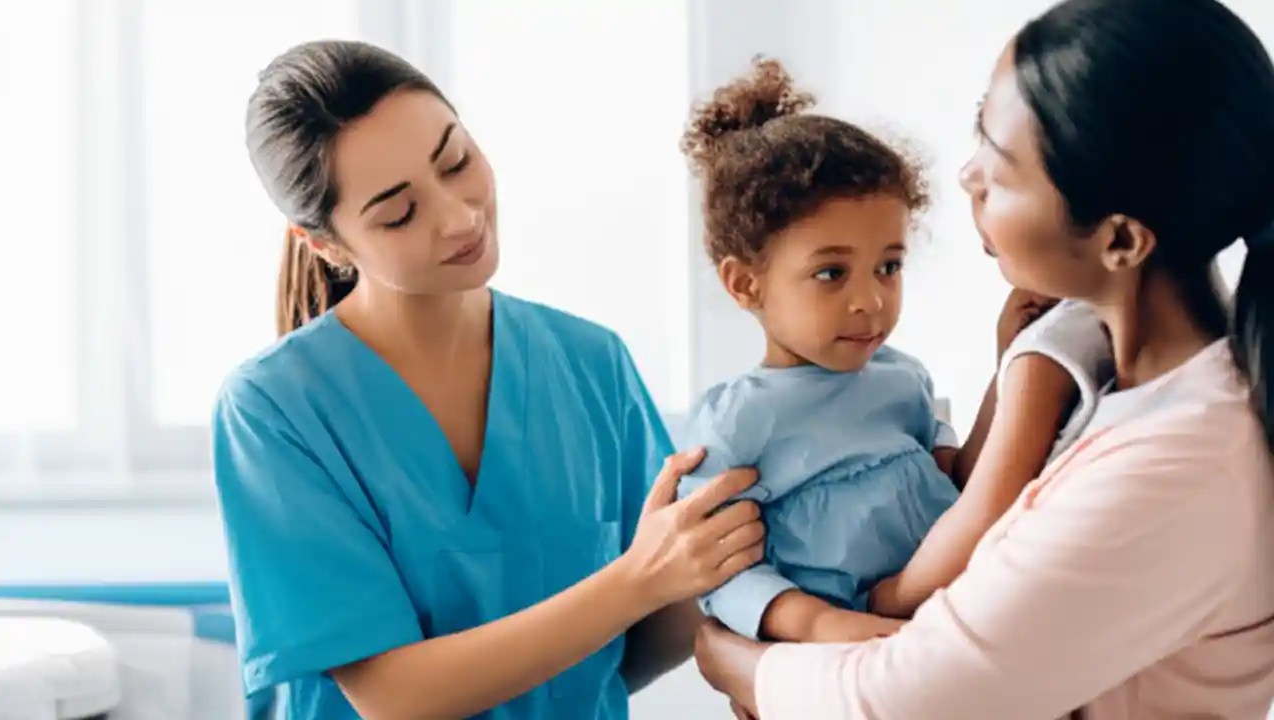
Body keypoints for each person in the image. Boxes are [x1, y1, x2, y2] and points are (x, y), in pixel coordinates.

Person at [693, 0, 1274, 717]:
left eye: (999, 166)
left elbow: (900, 700)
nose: (965, 178)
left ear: (1121, 241)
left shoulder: (1185, 461)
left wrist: (731, 661)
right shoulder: (1094, 372)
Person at [212, 40, 767, 720]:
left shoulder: (593, 363)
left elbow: (637, 643)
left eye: (456, 161)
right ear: (325, 244)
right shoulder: (276, 409)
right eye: (398, 213)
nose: (459, 216)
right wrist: (637, 580)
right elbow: (394, 697)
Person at [674, 58, 1111, 645]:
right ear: (746, 284)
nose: (871, 301)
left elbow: (961, 483)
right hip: (834, 655)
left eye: (889, 267)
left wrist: (1006, 362)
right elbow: (721, 573)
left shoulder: (902, 380)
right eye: (832, 273)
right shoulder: (735, 422)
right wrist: (821, 624)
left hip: (948, 622)